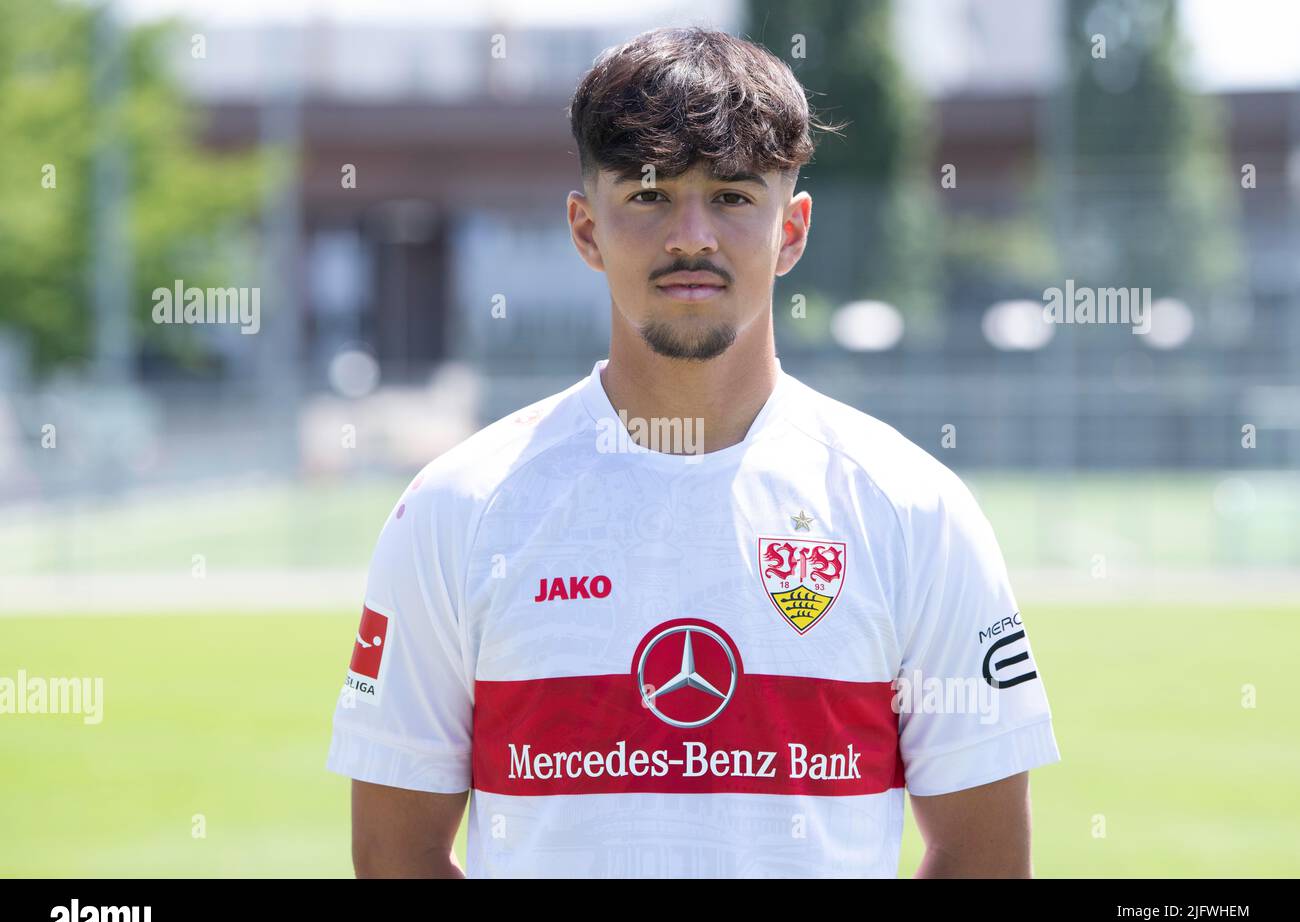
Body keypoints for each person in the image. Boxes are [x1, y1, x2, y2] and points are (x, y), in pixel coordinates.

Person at [327, 25, 1061, 878]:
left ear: (791, 230)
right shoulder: (459, 506)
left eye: (734, 196)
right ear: (585, 228)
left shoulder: (913, 508)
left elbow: (983, 854)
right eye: (647, 195)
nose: (691, 234)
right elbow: (394, 855)